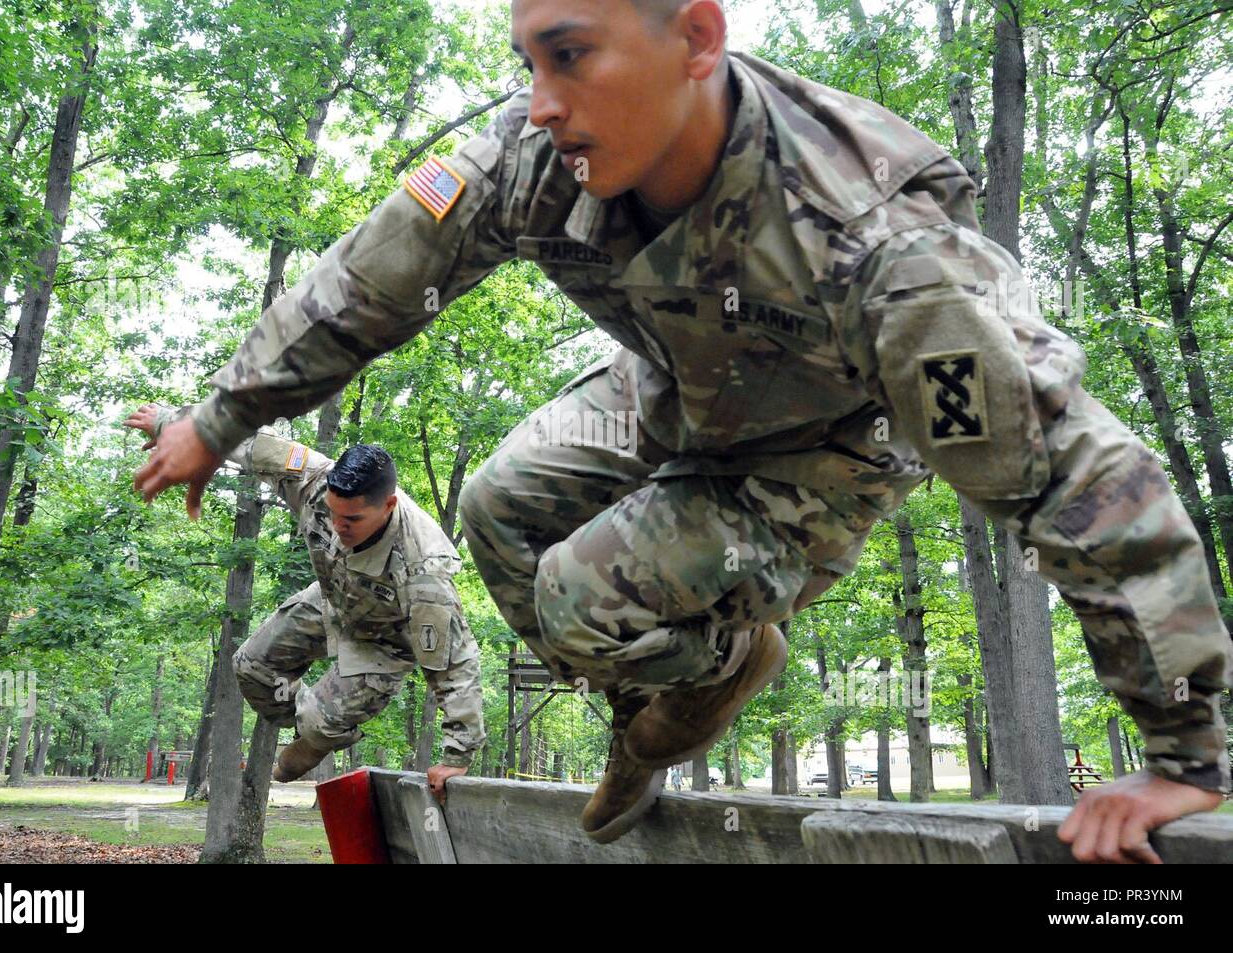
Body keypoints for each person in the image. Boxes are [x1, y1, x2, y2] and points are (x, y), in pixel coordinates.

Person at [132, 0, 1231, 857]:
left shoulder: (875, 247)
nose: (541, 99)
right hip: (665, 386)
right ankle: (651, 713)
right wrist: (223, 417)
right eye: (528, 61)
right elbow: (371, 277)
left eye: (571, 56)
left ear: (697, 38)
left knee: (576, 591)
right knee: (493, 505)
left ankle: (714, 671)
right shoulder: (534, 149)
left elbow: (1080, 479)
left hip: (823, 445)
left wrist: (1183, 750)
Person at [125, 405, 484, 799]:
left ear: (388, 506)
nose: (338, 526)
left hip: (384, 640)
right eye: (333, 513)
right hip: (332, 600)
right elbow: (243, 442)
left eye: (352, 519)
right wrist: (169, 425)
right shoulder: (312, 476)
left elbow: (456, 665)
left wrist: (458, 753)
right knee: (251, 667)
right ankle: (310, 718)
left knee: (314, 733)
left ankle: (318, 730)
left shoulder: (423, 571)